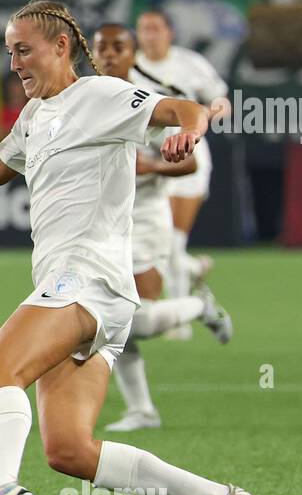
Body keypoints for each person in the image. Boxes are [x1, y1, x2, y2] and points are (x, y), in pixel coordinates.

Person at [0, 0, 256, 495]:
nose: (16, 64)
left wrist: (189, 133)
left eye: (24, 50)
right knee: (70, 451)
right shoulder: (34, 116)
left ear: (62, 47)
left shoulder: (100, 96)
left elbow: (186, 110)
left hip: (87, 278)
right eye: (10, 53)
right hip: (95, 294)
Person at [92, 23, 233, 432]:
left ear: (133, 54)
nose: (110, 55)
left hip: (145, 219)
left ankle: (198, 306)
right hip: (106, 225)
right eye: (102, 48)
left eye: (119, 47)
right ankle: (142, 410)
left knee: (131, 318)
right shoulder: (87, 95)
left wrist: (151, 165)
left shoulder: (148, 102)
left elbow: (188, 161)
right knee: (110, 321)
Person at [134, 10, 225, 337]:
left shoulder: (190, 63)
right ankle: (193, 268)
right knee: (160, 241)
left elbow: (221, 100)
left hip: (187, 155)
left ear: (170, 33)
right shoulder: (129, 68)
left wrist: (200, 125)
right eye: (144, 28)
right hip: (146, 161)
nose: (150, 34)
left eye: (156, 28)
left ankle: (181, 320)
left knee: (172, 240)